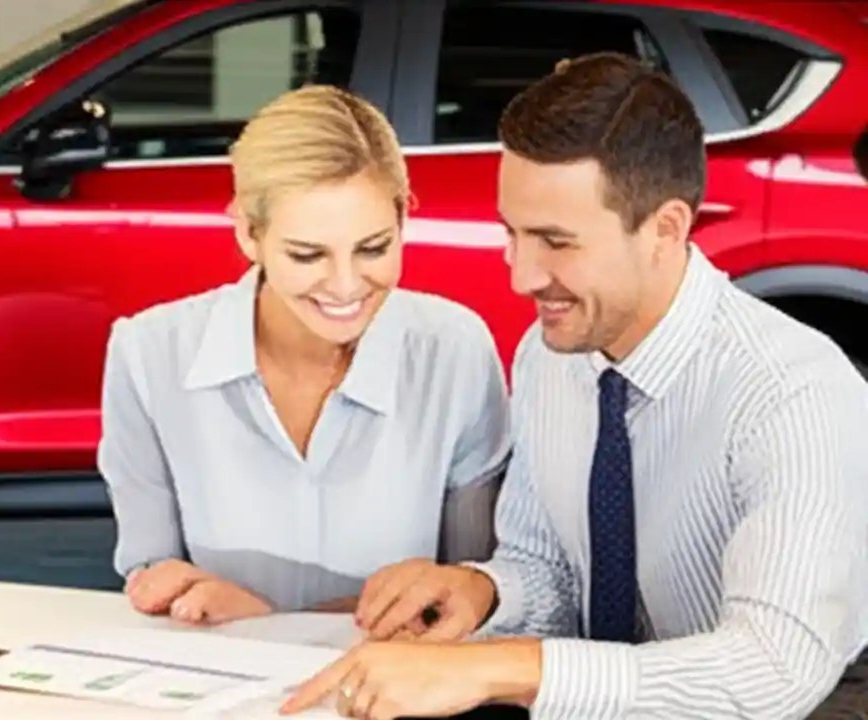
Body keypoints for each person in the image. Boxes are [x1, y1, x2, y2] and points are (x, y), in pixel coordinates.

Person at [281, 53, 868, 719]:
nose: (521, 275)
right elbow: (550, 569)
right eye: (512, 233)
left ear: (666, 230)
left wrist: (497, 669)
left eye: (556, 241)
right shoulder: (550, 356)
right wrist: (481, 589)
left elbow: (775, 668)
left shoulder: (795, 395)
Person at [96, 85, 511, 626]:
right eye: (307, 254)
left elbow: (469, 589)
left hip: (397, 691)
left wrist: (266, 616)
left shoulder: (455, 351)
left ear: (404, 222)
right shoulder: (148, 354)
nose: (345, 285)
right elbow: (153, 579)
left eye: (374, 247)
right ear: (249, 232)